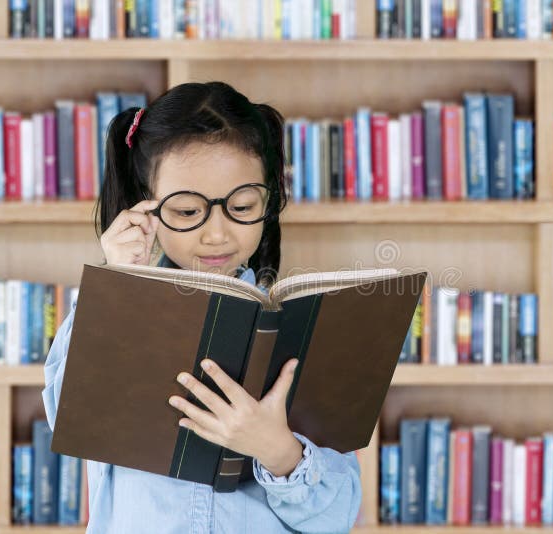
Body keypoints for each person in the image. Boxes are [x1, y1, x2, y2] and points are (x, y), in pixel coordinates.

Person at [42, 81, 362, 533]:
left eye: (243, 206)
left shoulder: (302, 329)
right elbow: (67, 419)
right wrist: (117, 285)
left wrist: (278, 451)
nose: (217, 235)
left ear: (269, 201)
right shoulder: (118, 304)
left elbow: (336, 519)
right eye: (189, 211)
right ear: (146, 205)